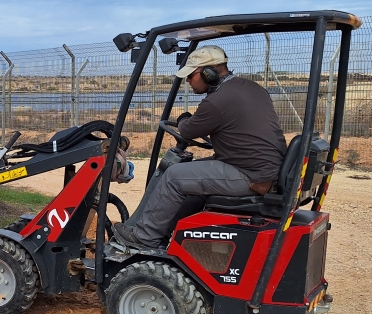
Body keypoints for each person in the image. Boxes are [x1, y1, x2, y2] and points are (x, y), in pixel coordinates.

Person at [112, 45, 286, 249]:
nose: (188, 81)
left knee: (173, 176)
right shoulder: (252, 88)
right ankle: (170, 233)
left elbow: (187, 130)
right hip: (260, 167)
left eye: (190, 76)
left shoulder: (217, 101)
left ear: (207, 73)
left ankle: (144, 237)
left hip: (249, 175)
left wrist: (184, 117)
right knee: (191, 174)